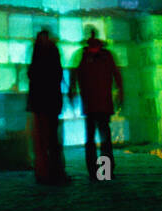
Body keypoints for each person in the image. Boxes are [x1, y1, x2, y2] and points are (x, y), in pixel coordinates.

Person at [69, 28, 123, 180]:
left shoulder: (84, 56)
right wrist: (120, 92)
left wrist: (72, 91)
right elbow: (116, 76)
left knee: (98, 140)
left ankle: (99, 171)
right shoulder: (100, 56)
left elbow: (74, 77)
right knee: (99, 139)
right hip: (96, 104)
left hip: (96, 104)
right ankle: (100, 171)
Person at [27, 29, 66, 184]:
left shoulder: (38, 55)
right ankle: (53, 172)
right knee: (51, 140)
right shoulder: (52, 54)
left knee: (44, 140)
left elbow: (32, 76)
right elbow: (57, 76)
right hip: (49, 104)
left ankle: (45, 172)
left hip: (41, 104)